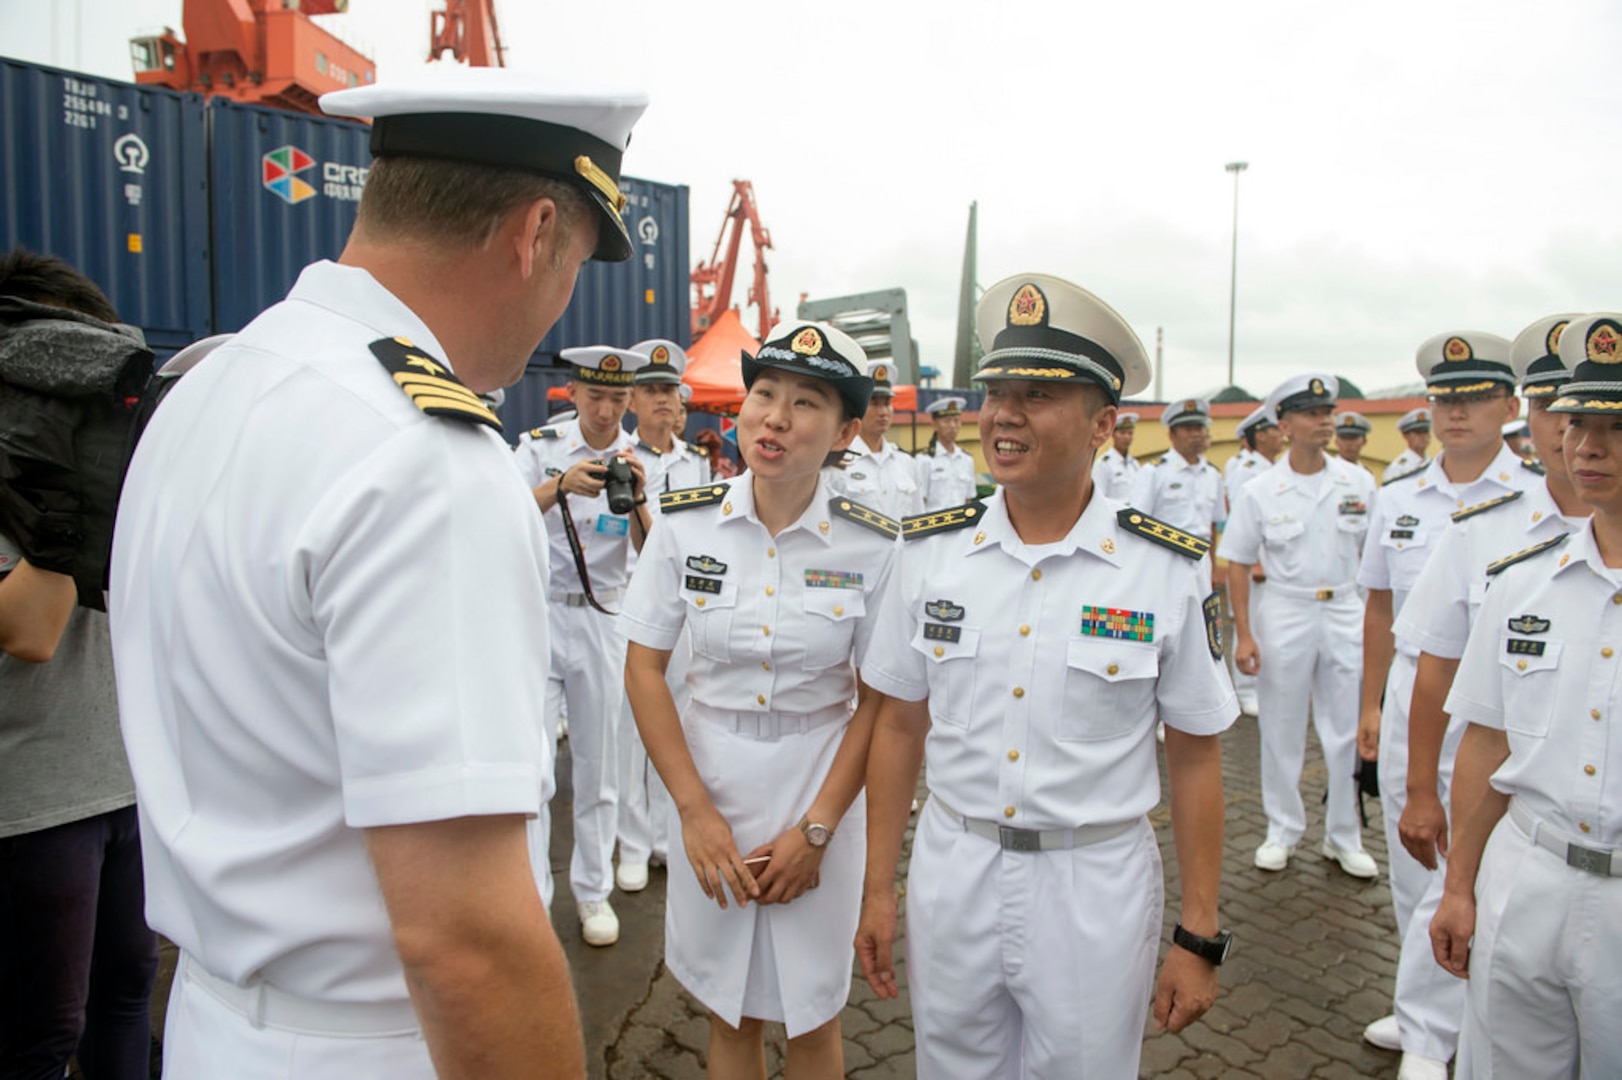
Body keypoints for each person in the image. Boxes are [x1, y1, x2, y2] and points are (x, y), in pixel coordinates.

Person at [109, 69, 640, 1077]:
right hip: (375, 1047)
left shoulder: (210, 385)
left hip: (213, 1024)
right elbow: (466, 946)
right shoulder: (424, 458)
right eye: (573, 261)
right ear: (533, 234)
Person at [856, 273, 1237, 1078]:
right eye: (996, 391)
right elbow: (897, 723)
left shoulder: (1162, 570)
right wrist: (877, 885)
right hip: (953, 868)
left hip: (1091, 883)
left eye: (1037, 394)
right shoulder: (928, 553)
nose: (1003, 414)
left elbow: (1198, 754)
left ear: (1104, 422)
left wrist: (1198, 934)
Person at [622, 319, 897, 1078]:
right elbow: (645, 670)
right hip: (707, 779)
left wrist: (818, 831)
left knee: (812, 1016)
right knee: (728, 1011)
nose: (775, 417)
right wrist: (694, 813)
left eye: (806, 403)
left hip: (821, 779)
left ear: (845, 431)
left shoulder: (874, 544)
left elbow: (879, 702)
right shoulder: (684, 526)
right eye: (764, 394)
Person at [1372, 314, 1588, 1078]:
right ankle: (1428, 1032)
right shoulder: (1493, 530)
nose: (1571, 431)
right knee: (1438, 885)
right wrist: (1416, 781)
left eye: (1585, 412)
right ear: (1530, 417)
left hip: (1564, 775)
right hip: (1470, 737)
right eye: (1554, 410)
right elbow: (1435, 663)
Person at [1429, 312, 1622, 1078]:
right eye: (1577, 421)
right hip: (1526, 875)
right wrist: (1459, 888)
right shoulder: (1523, 581)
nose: (1588, 445)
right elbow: (1486, 740)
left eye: (1616, 424)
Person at [0, 251, 158, 1079]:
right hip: (36, 803)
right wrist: (60, 503)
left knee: (130, 988)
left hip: (122, 778)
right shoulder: (24, 472)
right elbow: (30, 627)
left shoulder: (102, 471)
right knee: (44, 1030)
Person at [513, 343, 654, 946]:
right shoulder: (539, 449)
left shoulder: (640, 458)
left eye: (618, 398)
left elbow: (655, 557)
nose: (605, 409)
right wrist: (558, 487)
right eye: (595, 395)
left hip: (603, 620)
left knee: (600, 768)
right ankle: (531, 898)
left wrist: (641, 496)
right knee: (534, 767)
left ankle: (593, 894)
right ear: (572, 393)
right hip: (538, 616)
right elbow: (501, 515)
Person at [1220, 373, 1378, 876]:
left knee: (1345, 729)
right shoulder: (1260, 489)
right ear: (1284, 425)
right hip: (1285, 608)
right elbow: (1237, 563)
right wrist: (1243, 632)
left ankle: (1343, 834)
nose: (1325, 421)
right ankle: (1281, 829)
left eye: (1327, 412)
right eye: (1312, 414)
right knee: (1281, 727)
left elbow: (1375, 565)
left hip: (1344, 605)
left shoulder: (1358, 481)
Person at [616, 338, 711, 891]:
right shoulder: (618, 460)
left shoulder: (696, 464)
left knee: (679, 728)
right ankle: (632, 844)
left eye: (667, 390)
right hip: (628, 611)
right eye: (649, 390)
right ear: (633, 399)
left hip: (685, 613)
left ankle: (665, 837)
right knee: (632, 734)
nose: (660, 400)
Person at [1223, 405, 1281, 717]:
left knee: (1265, 623)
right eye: (1275, 429)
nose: (1281, 434)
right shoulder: (1246, 468)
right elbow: (1238, 519)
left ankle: (1260, 684)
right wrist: (1254, 561)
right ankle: (1244, 690)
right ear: (1260, 434)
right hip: (1251, 562)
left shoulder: (1274, 467)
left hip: (1272, 564)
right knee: (1248, 622)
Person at [1132, 397, 1224, 584]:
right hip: (1165, 563)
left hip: (1202, 564)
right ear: (1172, 435)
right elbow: (1138, 524)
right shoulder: (1154, 472)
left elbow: (1213, 526)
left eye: (1199, 428)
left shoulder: (1213, 475)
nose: (1196, 434)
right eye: (1188, 429)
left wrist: (1212, 568)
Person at [833, 360, 922, 519]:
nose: (883, 412)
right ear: (858, 408)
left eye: (887, 403)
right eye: (874, 403)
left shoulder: (906, 463)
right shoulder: (838, 462)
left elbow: (918, 519)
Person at [915, 396, 978, 510]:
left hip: (961, 526)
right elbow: (920, 502)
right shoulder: (925, 460)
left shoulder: (966, 460)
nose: (953, 426)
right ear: (934, 424)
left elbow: (968, 500)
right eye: (947, 421)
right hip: (935, 526)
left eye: (956, 420)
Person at [1091, 409, 1142, 500]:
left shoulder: (1135, 465)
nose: (1127, 437)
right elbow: (1098, 497)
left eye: (1130, 433)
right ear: (1113, 434)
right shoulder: (1104, 464)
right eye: (1122, 433)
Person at [1384, 408, 1434, 483]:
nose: (1423, 436)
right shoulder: (1398, 468)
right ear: (1405, 436)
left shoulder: (1434, 465)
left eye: (1425, 431)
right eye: (1418, 432)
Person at [1334, 411, 1375, 478]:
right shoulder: (1325, 471)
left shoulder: (1367, 475)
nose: (1348, 443)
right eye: (1344, 438)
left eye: (1353, 438)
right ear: (1336, 441)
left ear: (1364, 441)